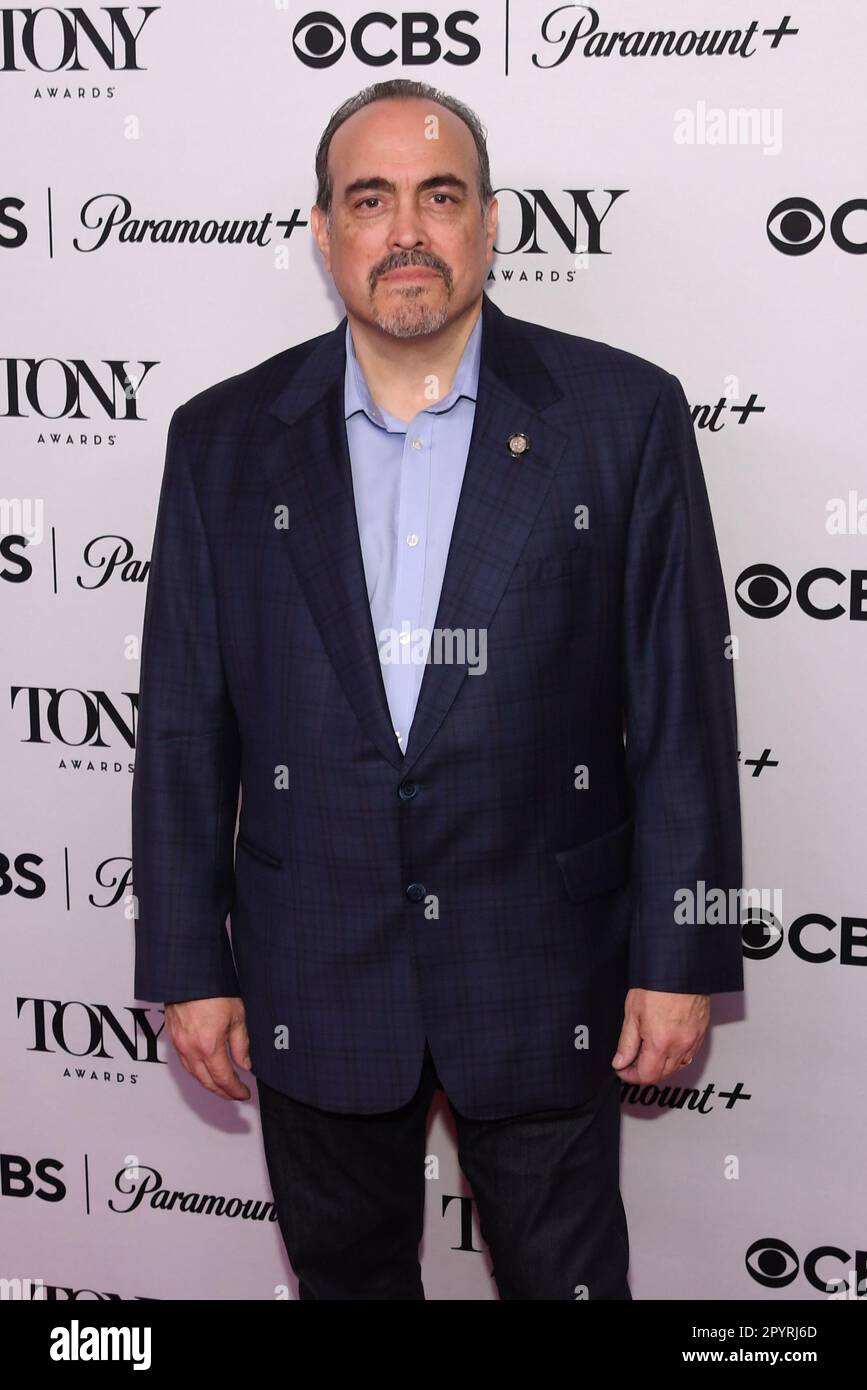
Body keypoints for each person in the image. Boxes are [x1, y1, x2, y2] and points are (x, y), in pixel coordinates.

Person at [132, 79, 744, 1300]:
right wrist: (189, 963)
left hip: (545, 961)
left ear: (490, 221)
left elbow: (682, 711)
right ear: (324, 231)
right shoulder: (222, 439)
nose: (406, 230)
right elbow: (185, 721)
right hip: (313, 966)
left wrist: (680, 955)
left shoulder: (623, 417)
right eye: (371, 200)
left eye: (439, 195)